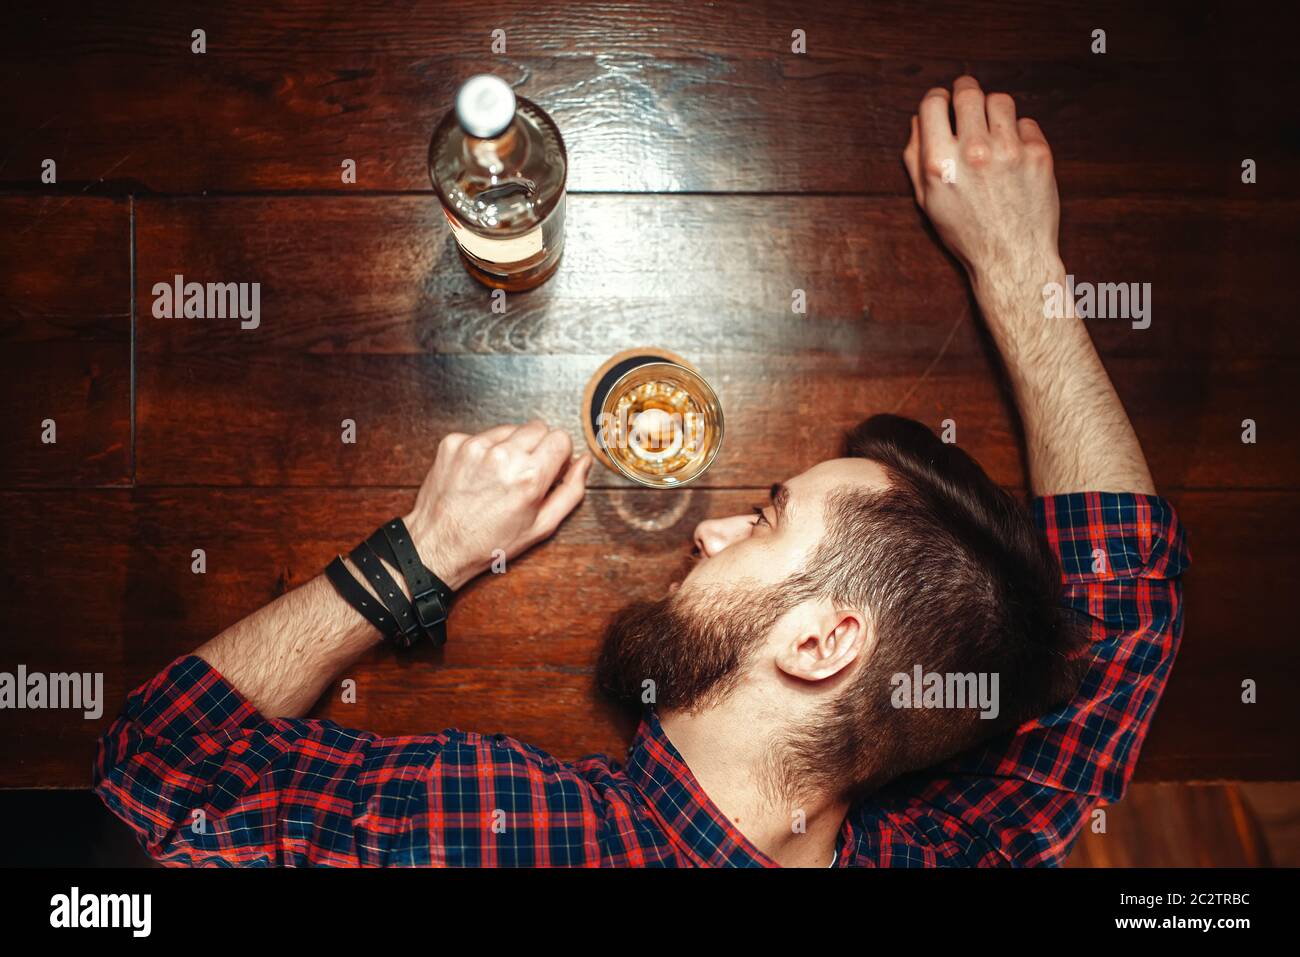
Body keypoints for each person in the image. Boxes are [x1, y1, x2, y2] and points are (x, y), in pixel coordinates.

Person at [94, 76, 1188, 867]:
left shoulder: (488, 830)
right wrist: (1014, 260)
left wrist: (419, 554)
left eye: (764, 521)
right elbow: (1118, 604)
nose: (708, 531)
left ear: (821, 643)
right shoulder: (963, 844)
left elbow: (161, 778)